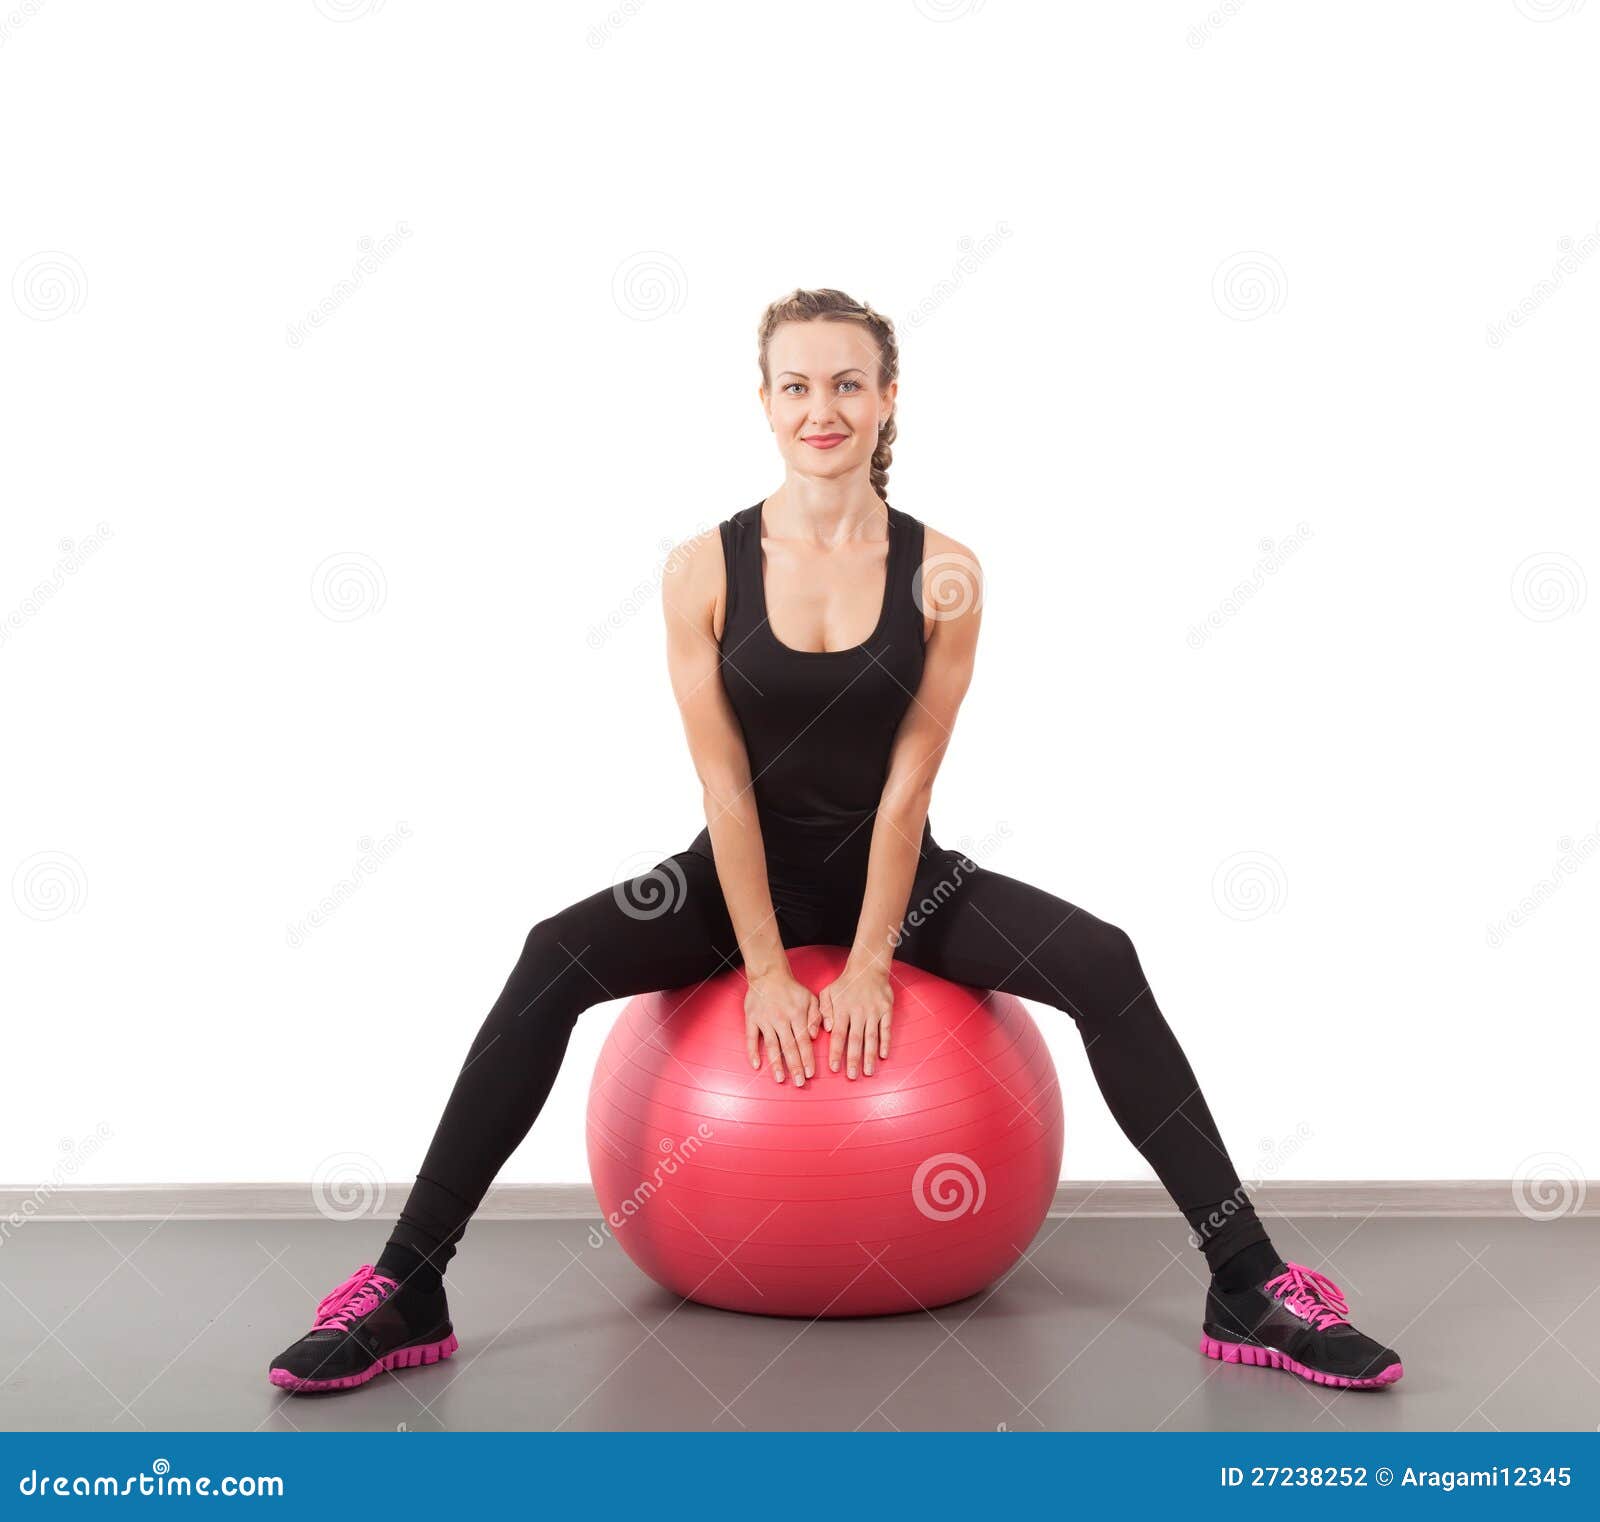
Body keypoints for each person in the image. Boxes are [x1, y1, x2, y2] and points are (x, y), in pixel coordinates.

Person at [268, 288, 1403, 1397]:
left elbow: (907, 791)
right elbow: (723, 787)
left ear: (888, 398)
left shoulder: (945, 569)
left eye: (848, 383)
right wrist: (764, 967)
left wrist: (868, 962)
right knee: (549, 956)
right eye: (798, 384)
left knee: (1103, 959)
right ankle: (406, 1284)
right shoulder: (700, 568)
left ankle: (1248, 1282)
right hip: (733, 876)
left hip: (897, 881)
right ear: (762, 401)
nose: (823, 407)